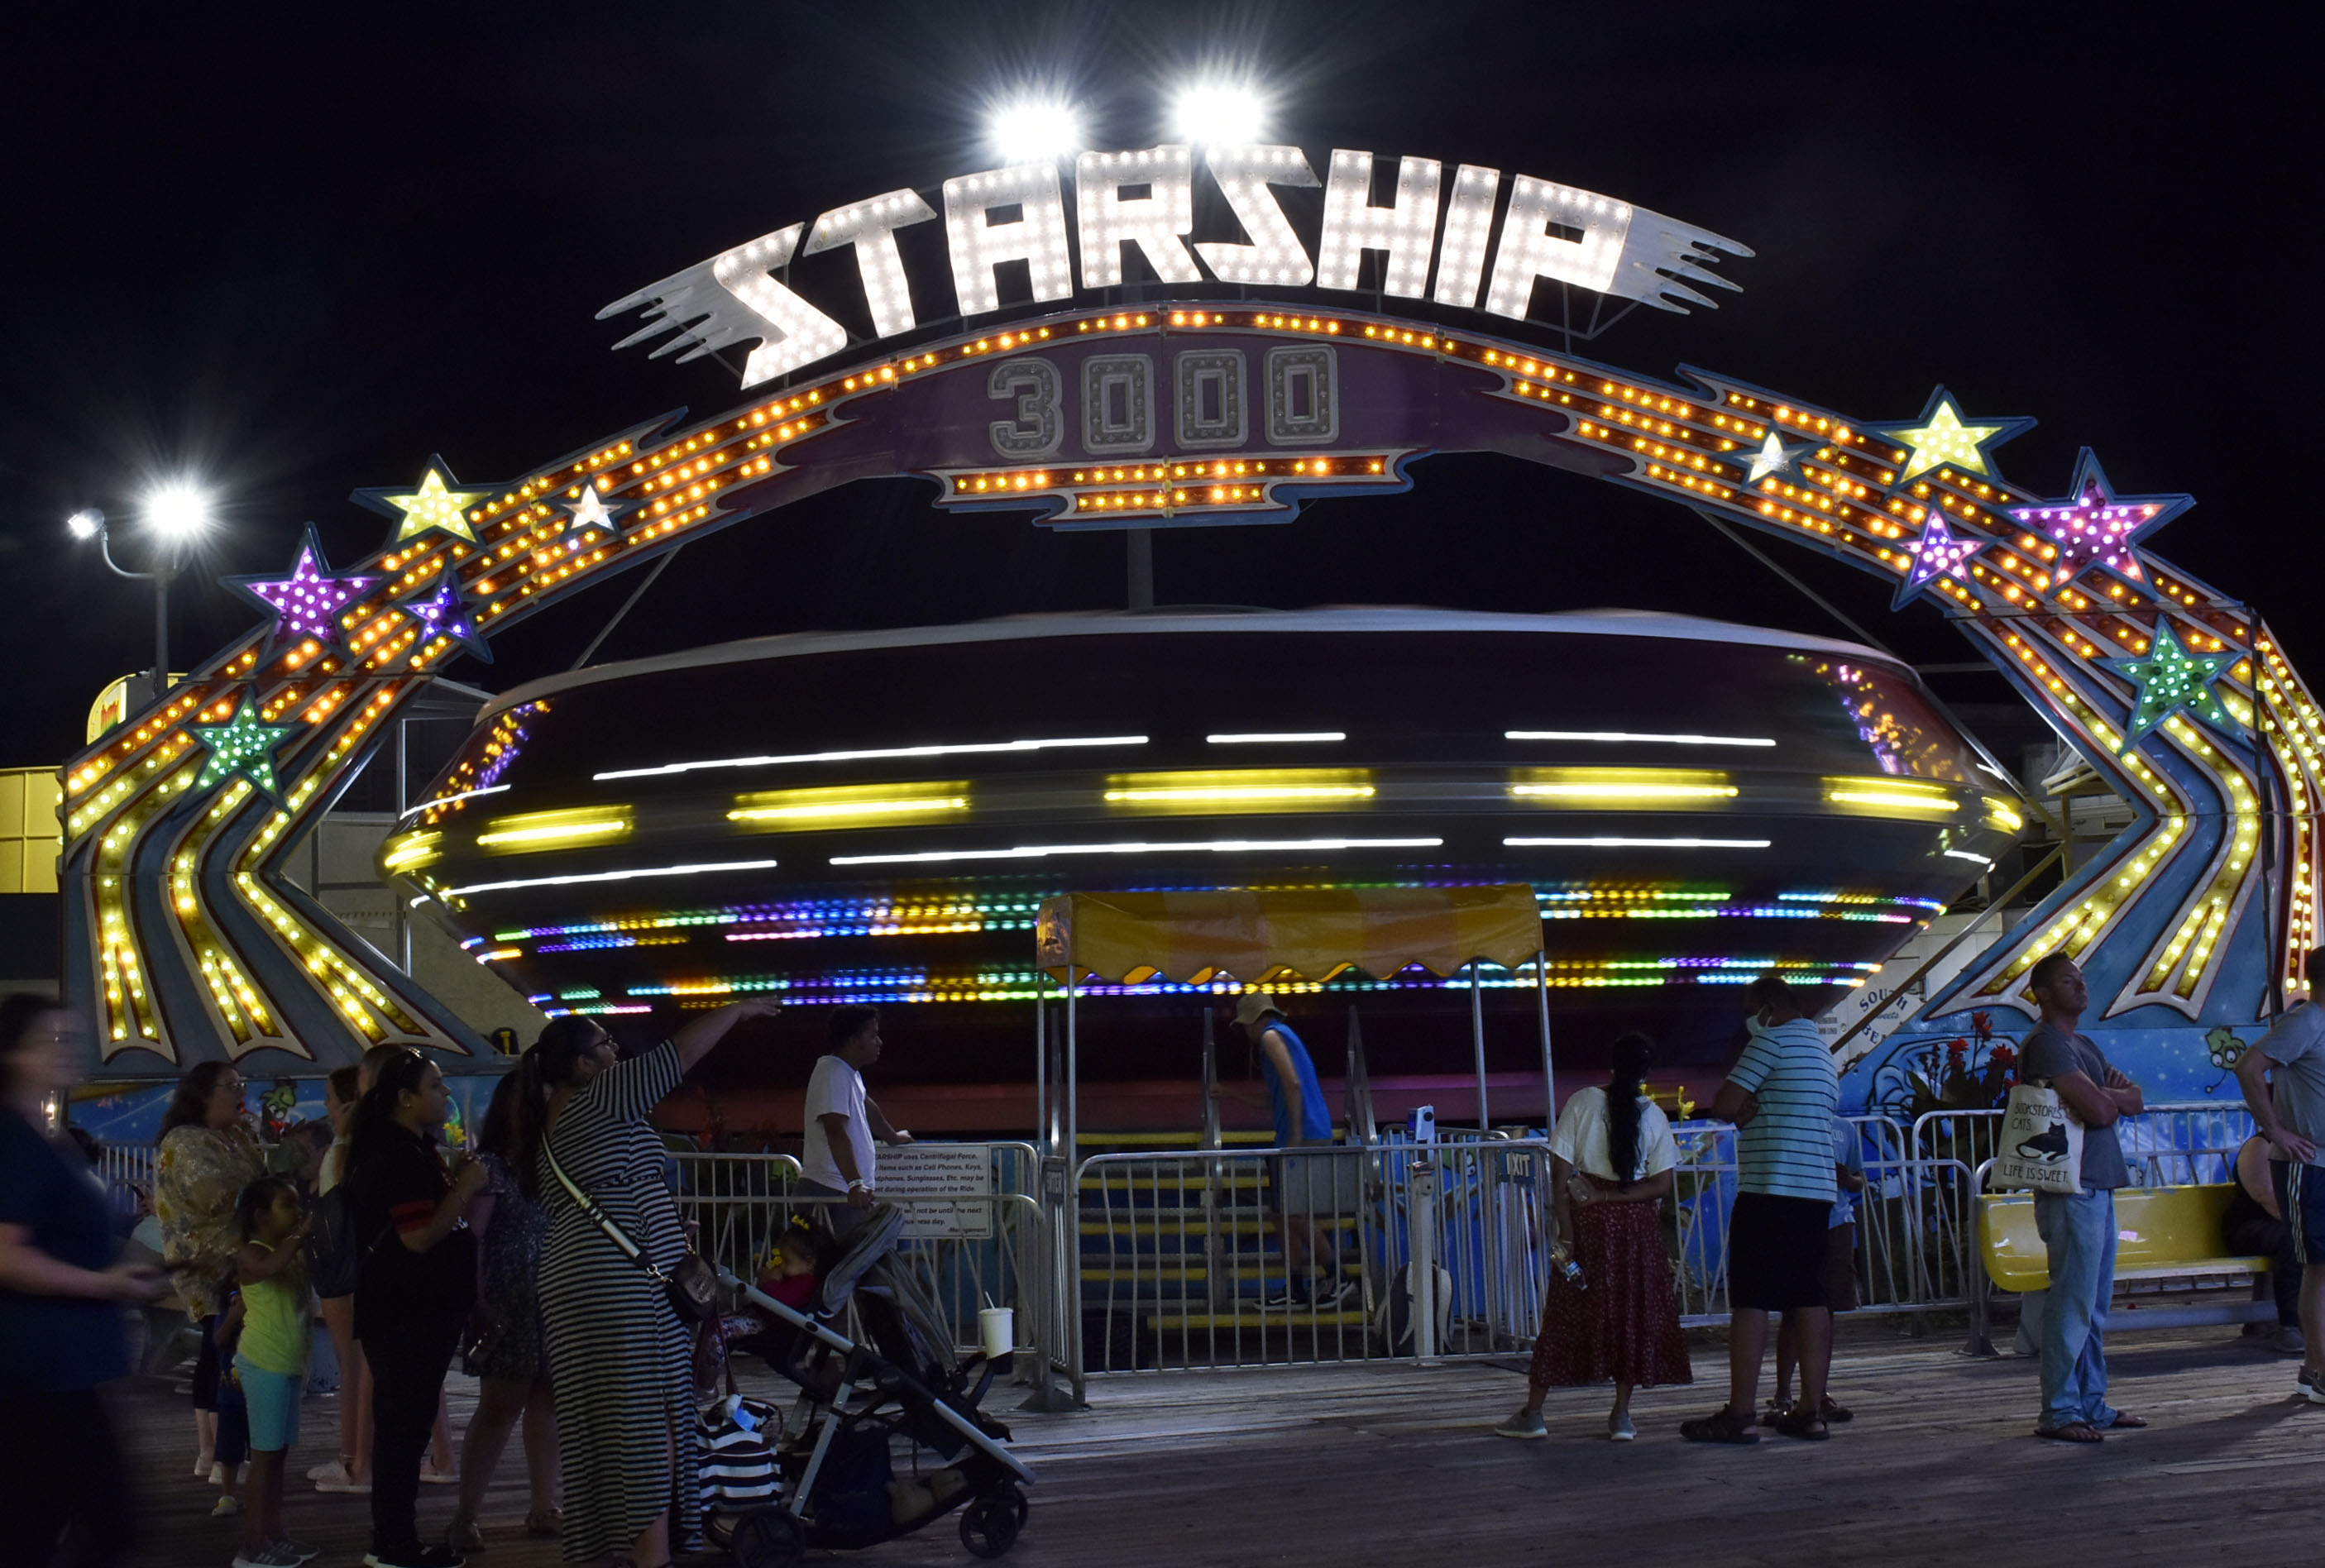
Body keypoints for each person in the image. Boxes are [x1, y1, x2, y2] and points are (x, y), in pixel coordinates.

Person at [524, 999, 782, 1568]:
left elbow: (611, 1190)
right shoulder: (599, 1096)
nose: (616, 1050)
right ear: (582, 1064)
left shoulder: (557, 1117)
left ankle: (617, 1546)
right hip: (621, 1286)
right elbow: (680, 1054)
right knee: (650, 1417)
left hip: (585, 1279)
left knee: (604, 1419)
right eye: (605, 1043)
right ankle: (651, 1555)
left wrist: (663, 1227)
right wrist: (737, 1011)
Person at [0, 996, 169, 1566]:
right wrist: (106, 1286)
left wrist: (114, 1275)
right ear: (12, 1054)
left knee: (34, 1528)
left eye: (69, 1038)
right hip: (44, 1371)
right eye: (50, 1039)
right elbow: (8, 1257)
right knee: (107, 1522)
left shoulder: (40, 1139)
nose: (66, 1049)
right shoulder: (13, 1141)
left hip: (58, 1368)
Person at [1493, 1032, 1690, 1442]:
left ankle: (1534, 1412)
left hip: (1589, 1223)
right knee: (1630, 1315)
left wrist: (1566, 1231)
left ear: (1611, 1065)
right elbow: (1661, 1185)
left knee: (1566, 1314)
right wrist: (1616, 1196)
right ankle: (1621, 1415)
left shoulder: (1582, 1102)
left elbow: (1560, 1176)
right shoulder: (1654, 1115)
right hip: (1637, 1229)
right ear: (1646, 1072)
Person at [345, 1049, 488, 1568]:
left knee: (405, 1424)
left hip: (413, 1309)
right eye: (435, 1086)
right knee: (403, 1427)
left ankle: (396, 1538)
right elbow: (419, 1236)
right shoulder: (396, 1154)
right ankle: (393, 1543)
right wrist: (466, 1188)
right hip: (407, 1311)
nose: (445, 1094)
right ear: (405, 1099)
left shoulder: (408, 1148)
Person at [1682, 974, 1839, 1444]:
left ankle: (1740, 1414)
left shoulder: (1770, 1042)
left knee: (1751, 1298)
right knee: (1809, 1297)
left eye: (1751, 1012)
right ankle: (1810, 1411)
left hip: (1770, 1187)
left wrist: (1741, 1109)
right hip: (1817, 1191)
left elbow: (1724, 1104)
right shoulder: (1821, 1052)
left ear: (1769, 1008)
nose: (1748, 1021)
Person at [2018, 953, 2146, 1443]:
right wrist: (2105, 1097)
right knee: (2074, 1301)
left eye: (2081, 979)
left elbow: (2134, 1099)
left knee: (2092, 1305)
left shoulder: (2081, 1045)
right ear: (2042, 994)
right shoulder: (2048, 1044)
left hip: (2095, 1183)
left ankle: (2090, 1402)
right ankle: (2060, 1408)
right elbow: (2102, 1111)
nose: (2080, 986)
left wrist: (2102, 1096)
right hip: (2071, 1186)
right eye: (2068, 981)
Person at [447, 1064, 562, 1551]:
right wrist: (476, 1301)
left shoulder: (553, 1165)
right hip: (508, 1297)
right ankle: (466, 1515)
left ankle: (544, 1504)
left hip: (551, 1295)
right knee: (500, 1404)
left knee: (547, 1398)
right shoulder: (491, 1166)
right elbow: (472, 1238)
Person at [155, 1059, 265, 1504]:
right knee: (219, 1348)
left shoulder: (236, 1135)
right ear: (203, 1094)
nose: (241, 1092)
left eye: (242, 1083)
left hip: (242, 1259)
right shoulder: (184, 1141)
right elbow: (220, 1195)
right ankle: (218, 1451)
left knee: (223, 1349)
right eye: (230, 1086)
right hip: (207, 1261)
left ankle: (217, 1451)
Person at [2233, 958, 2325, 1403]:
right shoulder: (2306, 1021)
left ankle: (2313, 1366)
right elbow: (2249, 1067)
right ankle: (2319, 1368)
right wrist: (2275, 1131)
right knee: (2319, 1267)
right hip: (2309, 1163)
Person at [1227, 992, 1347, 1308]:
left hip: (1302, 1135)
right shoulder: (1285, 1034)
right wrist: (1229, 1095)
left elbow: (1293, 1084)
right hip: (1306, 1132)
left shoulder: (1270, 1037)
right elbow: (1277, 1096)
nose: (1246, 1033)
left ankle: (1338, 1275)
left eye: (1245, 1026)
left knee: (1290, 1213)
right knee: (1281, 1212)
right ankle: (1295, 1288)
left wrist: (1294, 1134)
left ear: (1254, 1021)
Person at [225, 1173, 315, 1568]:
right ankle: (251, 1546)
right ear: (262, 1216)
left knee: (278, 1455)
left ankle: (273, 1534)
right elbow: (268, 1268)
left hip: (287, 1363)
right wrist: (301, 1236)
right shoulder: (253, 1252)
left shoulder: (286, 1251)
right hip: (265, 1363)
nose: (297, 1212)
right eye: (288, 1205)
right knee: (263, 1457)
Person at [1770, 1116, 1866, 1425]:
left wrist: (1846, 1179)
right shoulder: (1791, 1121)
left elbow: (1859, 1179)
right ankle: (1783, 1394)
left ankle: (1818, 1393)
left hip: (1837, 1221)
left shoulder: (1845, 1129)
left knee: (1827, 1311)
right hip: (1797, 1222)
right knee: (1794, 1310)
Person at [311, 1064, 373, 1494]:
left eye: (331, 1097)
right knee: (360, 1365)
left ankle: (353, 1458)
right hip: (364, 1265)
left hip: (344, 1269)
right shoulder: (375, 1145)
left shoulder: (345, 1149)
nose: (327, 1104)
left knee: (352, 1366)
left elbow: (332, 1200)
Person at [798, 1006, 912, 1241]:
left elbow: (870, 1110)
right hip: (833, 1190)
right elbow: (835, 1130)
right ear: (852, 1040)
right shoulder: (832, 1072)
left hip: (843, 1189)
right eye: (873, 1035)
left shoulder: (848, 1074)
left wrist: (893, 1138)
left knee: (856, 1257)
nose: (879, 1042)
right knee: (848, 1259)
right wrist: (856, 1183)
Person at [2222, 1134, 2303, 1355]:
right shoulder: (2260, 1145)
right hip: (2251, 1225)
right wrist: (2310, 1226)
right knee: (2295, 1240)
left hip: (2296, 1224)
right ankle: (2290, 1325)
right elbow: (2266, 1197)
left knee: (2302, 1237)